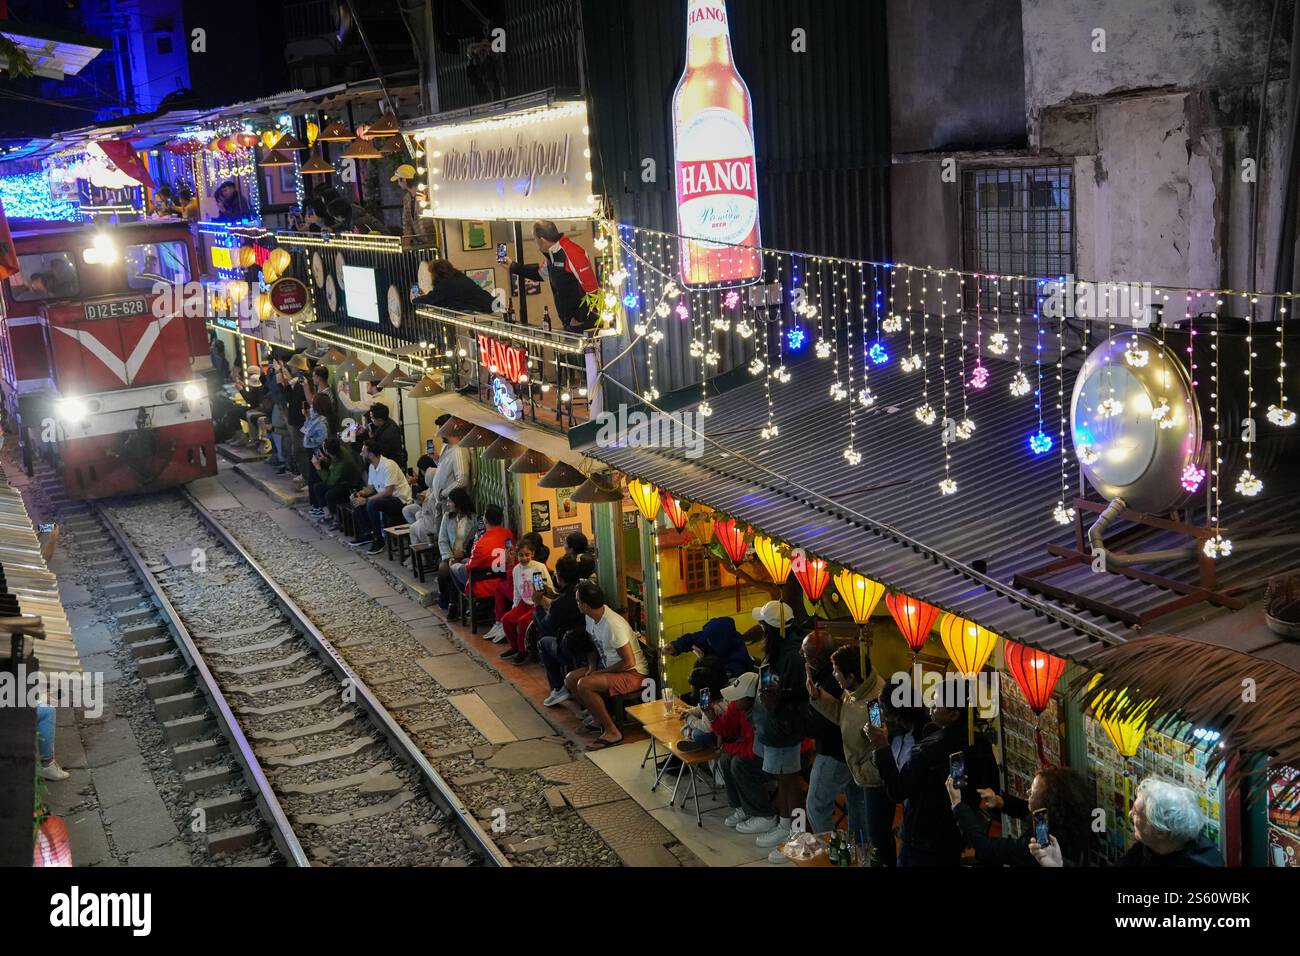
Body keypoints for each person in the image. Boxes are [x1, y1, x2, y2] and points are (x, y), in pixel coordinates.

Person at [866, 673, 999, 867]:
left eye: (936, 706)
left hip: (920, 843)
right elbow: (990, 787)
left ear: (954, 714)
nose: (930, 709)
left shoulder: (926, 750)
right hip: (955, 837)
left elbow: (897, 790)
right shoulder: (981, 745)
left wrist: (882, 748)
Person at [737, 600, 809, 863]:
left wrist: (778, 701)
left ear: (771, 628)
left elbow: (796, 696)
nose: (759, 629)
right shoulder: (780, 649)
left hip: (784, 729)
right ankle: (784, 823)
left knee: (791, 781)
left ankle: (798, 833)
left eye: (762, 625)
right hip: (773, 726)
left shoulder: (790, 655)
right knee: (782, 778)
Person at [1032, 777, 1223, 868]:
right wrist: (1059, 864)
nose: (1130, 814)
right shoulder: (1149, 847)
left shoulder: (1202, 864)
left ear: (1161, 831)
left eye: (1139, 813)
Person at [808, 643, 888, 855]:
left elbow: (880, 745)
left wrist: (864, 772)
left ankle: (843, 855)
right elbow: (842, 717)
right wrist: (818, 696)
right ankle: (850, 855)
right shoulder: (855, 690)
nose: (833, 675)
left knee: (866, 828)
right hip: (856, 767)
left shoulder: (874, 705)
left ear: (851, 676)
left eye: (836, 671)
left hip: (869, 777)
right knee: (857, 821)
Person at [948, 767, 1094, 867]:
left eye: (1032, 792)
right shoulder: (1066, 821)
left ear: (1049, 803)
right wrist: (1000, 801)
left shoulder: (1036, 847)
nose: (1027, 791)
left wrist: (957, 804)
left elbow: (985, 847)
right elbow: (1027, 808)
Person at [566, 581, 648, 749]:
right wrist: (591, 668)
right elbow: (593, 647)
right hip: (609, 667)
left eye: (578, 601)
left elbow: (629, 662)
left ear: (586, 605)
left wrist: (600, 673)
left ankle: (613, 731)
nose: (577, 604)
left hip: (633, 673)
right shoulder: (590, 618)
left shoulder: (613, 624)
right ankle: (597, 719)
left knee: (585, 684)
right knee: (571, 679)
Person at [506, 220, 599, 332]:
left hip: (585, 323)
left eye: (535, 240)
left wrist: (580, 317)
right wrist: (512, 266)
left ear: (541, 240)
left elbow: (592, 289)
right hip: (569, 321)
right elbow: (539, 274)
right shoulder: (552, 255)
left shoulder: (572, 252)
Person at [711, 672, 770, 828]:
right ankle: (741, 807)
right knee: (726, 758)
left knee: (739, 763)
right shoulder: (737, 706)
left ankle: (763, 815)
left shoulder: (761, 712)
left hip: (770, 755)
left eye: (738, 697)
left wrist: (727, 747)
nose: (733, 700)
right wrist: (712, 718)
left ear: (750, 698)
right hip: (758, 751)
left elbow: (753, 750)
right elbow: (727, 730)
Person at [348, 439, 413, 555]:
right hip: (386, 499)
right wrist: (360, 494)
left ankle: (379, 541)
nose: (361, 454)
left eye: (364, 451)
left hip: (399, 500)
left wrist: (367, 499)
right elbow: (371, 488)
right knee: (356, 500)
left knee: (371, 503)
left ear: (371, 454)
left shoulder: (388, 465)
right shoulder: (372, 466)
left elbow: (388, 491)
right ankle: (368, 534)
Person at [447, 504, 513, 615]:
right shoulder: (508, 534)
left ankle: (469, 605)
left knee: (453, 567)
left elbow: (470, 567)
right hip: (504, 579)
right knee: (464, 563)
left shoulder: (481, 543)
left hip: (484, 586)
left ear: (485, 519)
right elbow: (511, 551)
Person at [536, 556, 585, 706]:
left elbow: (546, 626)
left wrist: (539, 605)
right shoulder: (585, 589)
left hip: (571, 649)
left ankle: (558, 688)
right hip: (590, 646)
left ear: (558, 576)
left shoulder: (560, 604)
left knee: (543, 642)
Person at [497, 539, 553, 665]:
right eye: (521, 555)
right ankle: (515, 647)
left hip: (536, 604)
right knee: (506, 619)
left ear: (532, 554)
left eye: (527, 555)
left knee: (523, 622)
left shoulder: (539, 567)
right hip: (523, 603)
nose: (524, 558)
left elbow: (548, 587)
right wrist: (514, 607)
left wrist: (542, 598)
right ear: (517, 555)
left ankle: (523, 651)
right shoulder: (516, 570)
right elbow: (516, 591)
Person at [667, 616, 754, 679]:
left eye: (710, 640)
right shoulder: (710, 636)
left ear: (721, 641)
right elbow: (692, 638)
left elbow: (720, 680)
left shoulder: (738, 661)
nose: (706, 641)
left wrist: (703, 662)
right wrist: (675, 646)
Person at [433, 488, 477, 609]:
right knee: (443, 571)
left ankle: (455, 604)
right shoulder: (447, 517)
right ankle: (444, 597)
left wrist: (464, 554)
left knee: (458, 571)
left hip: (465, 555)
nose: (448, 504)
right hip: (449, 555)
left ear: (458, 502)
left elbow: (475, 541)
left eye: (450, 501)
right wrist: (449, 557)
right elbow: (442, 539)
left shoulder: (473, 519)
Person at [413, 258, 496, 313]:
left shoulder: (446, 284)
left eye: (432, 274)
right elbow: (441, 299)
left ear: (437, 273)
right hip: (489, 304)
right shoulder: (457, 276)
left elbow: (432, 299)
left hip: (485, 309)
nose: (431, 277)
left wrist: (415, 300)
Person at [309, 437, 362, 522]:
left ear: (327, 451)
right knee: (317, 487)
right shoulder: (339, 451)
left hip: (350, 484)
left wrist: (318, 467)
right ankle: (327, 514)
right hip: (340, 479)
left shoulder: (342, 464)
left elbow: (330, 482)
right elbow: (333, 463)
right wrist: (325, 460)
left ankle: (336, 519)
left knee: (330, 494)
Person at [391, 164, 435, 240]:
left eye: (398, 180)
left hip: (433, 238)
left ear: (404, 179)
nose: (398, 183)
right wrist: (408, 239)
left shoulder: (425, 191)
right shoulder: (407, 198)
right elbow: (406, 222)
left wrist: (427, 202)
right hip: (419, 241)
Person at [358, 402, 405, 469]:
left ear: (379, 420)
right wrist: (365, 432)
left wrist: (371, 438)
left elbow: (379, 453)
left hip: (390, 465)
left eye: (372, 418)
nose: (371, 420)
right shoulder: (386, 422)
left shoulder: (389, 434)